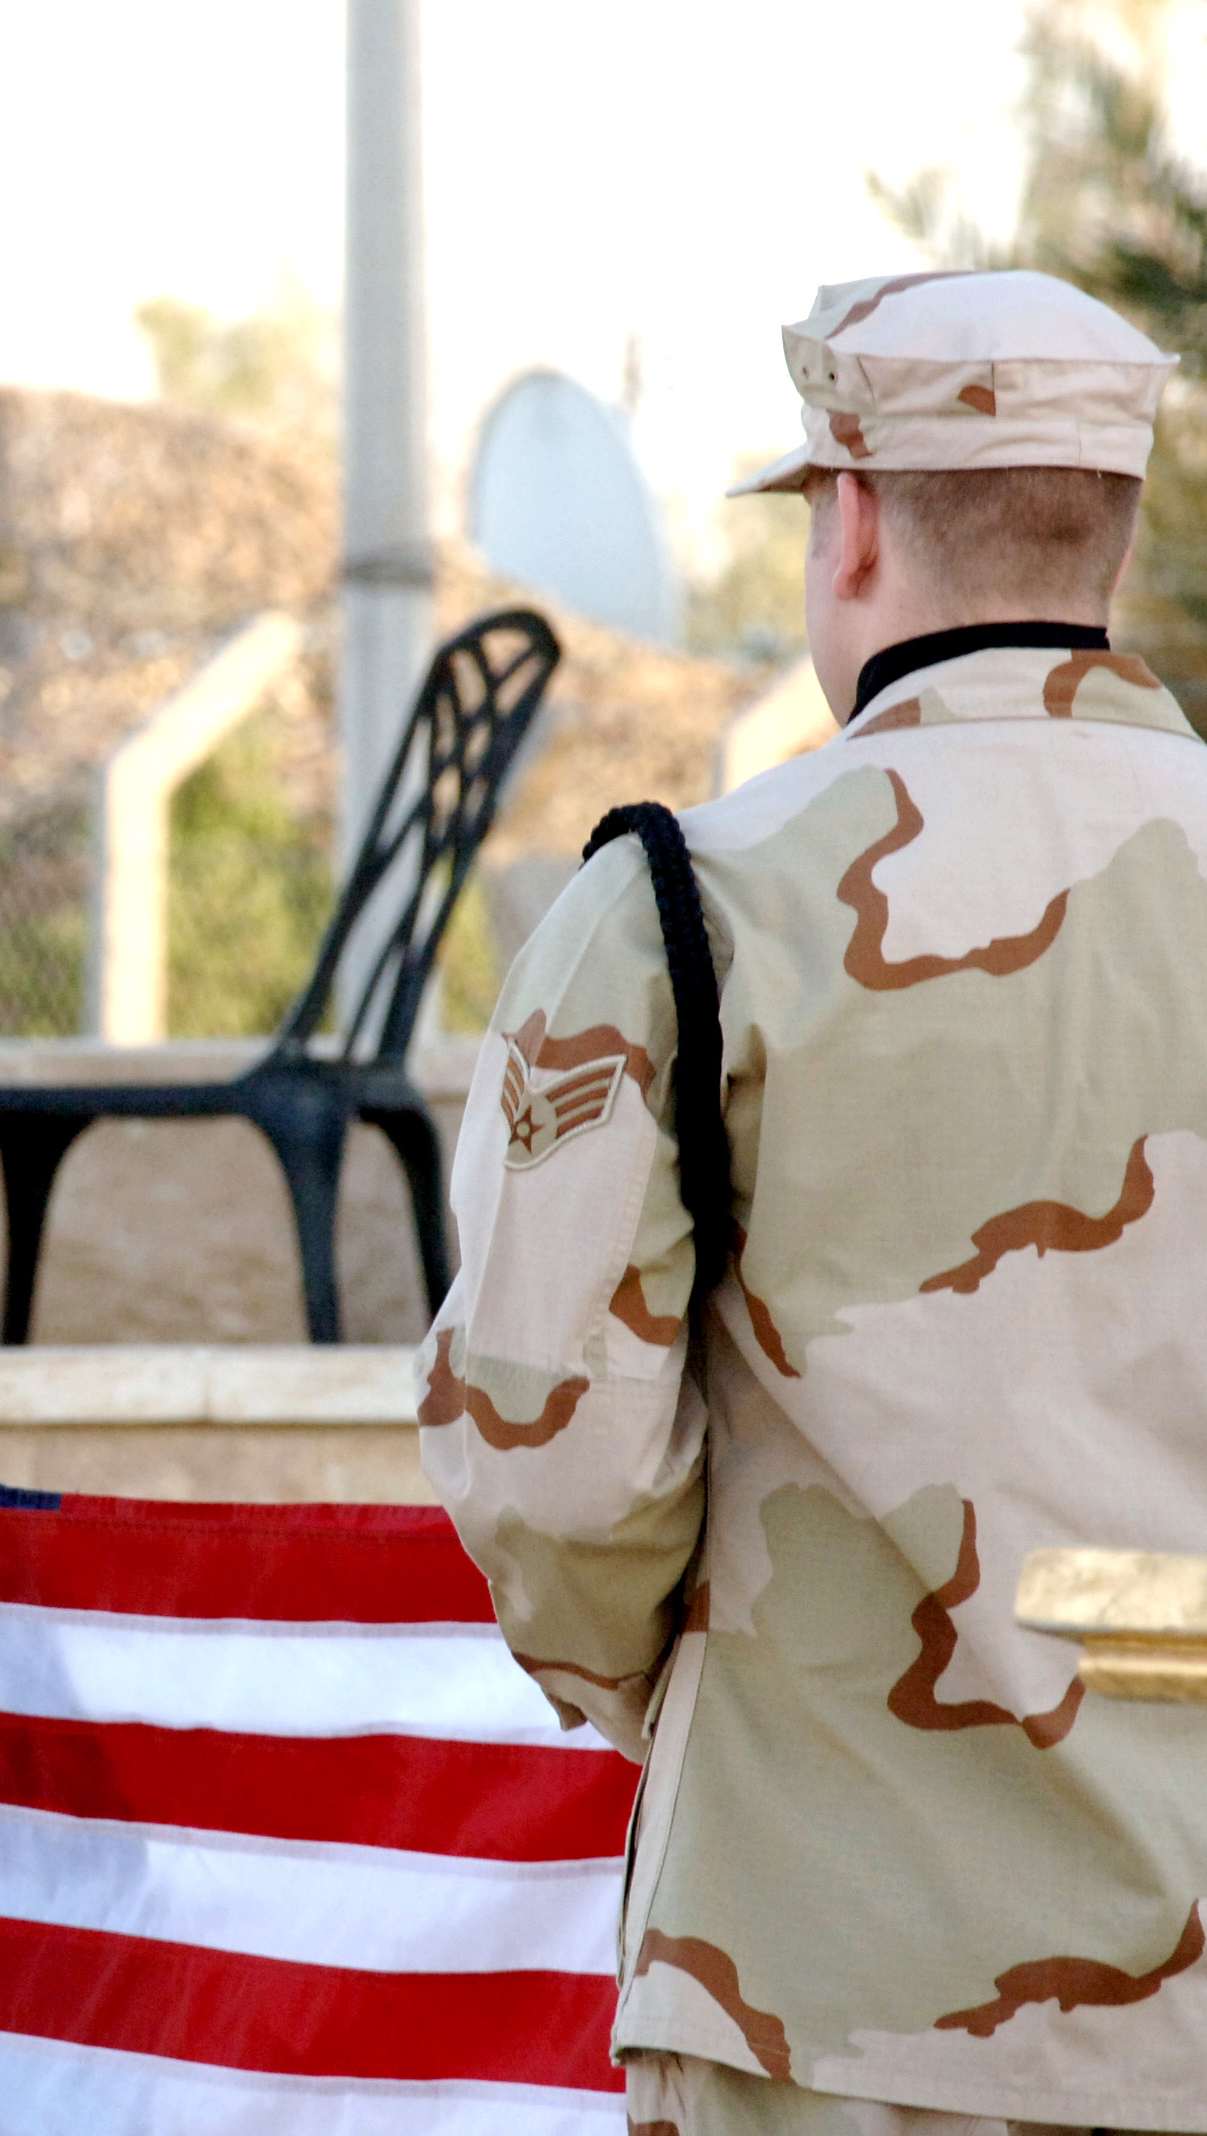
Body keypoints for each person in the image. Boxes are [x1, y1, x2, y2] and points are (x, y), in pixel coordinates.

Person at [423, 267, 1207, 2135]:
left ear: (848, 521)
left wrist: (702, 1708)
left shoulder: (689, 911)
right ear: (1111, 521)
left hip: (817, 1981)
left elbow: (550, 1458)